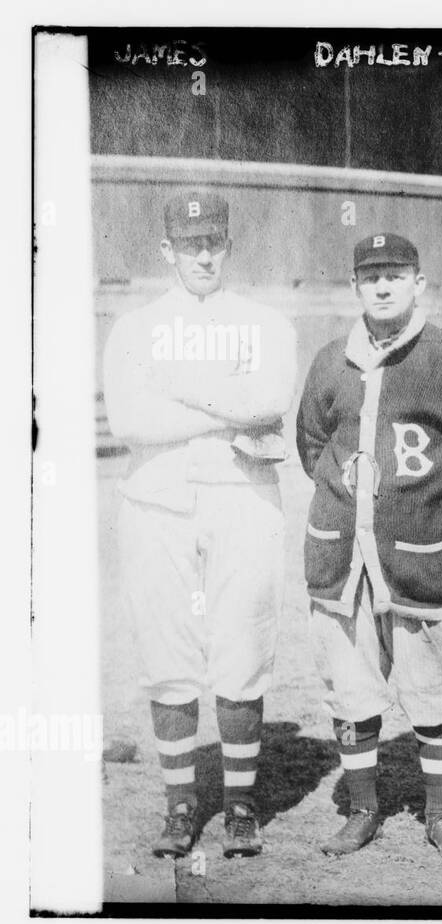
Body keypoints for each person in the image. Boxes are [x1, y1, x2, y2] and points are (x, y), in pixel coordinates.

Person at [296, 232, 442, 859]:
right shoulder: (330, 359)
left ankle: (441, 813)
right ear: (356, 287)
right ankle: (362, 808)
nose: (384, 285)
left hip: (420, 555)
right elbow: (313, 445)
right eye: (371, 276)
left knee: (431, 684)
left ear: (420, 283)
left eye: (396, 274)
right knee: (350, 683)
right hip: (343, 557)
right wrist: (350, 504)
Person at [103, 190, 297, 858]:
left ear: (230, 245)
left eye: (214, 241)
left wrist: (180, 393)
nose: (204, 254)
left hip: (243, 497)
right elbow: (130, 421)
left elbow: (272, 398)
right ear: (168, 251)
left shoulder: (265, 322)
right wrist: (227, 410)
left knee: (243, 647)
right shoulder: (135, 327)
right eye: (190, 244)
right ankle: (181, 803)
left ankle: (241, 803)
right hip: (156, 502)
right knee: (168, 654)